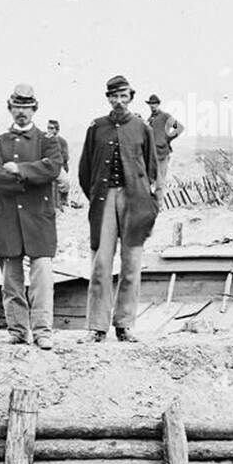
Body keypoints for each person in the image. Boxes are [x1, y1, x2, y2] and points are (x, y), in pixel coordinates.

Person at [77, 75, 160, 343]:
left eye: (124, 96)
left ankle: (125, 324)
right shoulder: (96, 128)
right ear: (108, 98)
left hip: (135, 201)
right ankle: (97, 327)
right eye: (115, 96)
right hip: (104, 201)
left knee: (132, 264)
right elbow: (85, 170)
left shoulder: (141, 128)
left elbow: (152, 169)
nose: (119, 101)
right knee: (101, 263)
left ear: (131, 98)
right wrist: (98, 196)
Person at [0, 86, 64, 350]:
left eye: (27, 107)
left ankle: (43, 331)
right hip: (7, 220)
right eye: (17, 107)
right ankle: (18, 330)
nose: (22, 112)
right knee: (11, 279)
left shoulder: (48, 141)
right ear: (10, 109)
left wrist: (18, 169)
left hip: (39, 219)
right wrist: (33, 176)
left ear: (35, 109)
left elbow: (53, 168)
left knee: (42, 277)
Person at [146, 94, 184, 190]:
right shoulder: (149, 119)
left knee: (160, 183)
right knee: (149, 182)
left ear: (158, 104)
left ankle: (159, 204)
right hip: (151, 154)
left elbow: (179, 127)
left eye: (154, 103)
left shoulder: (165, 116)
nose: (152, 105)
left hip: (162, 152)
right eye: (150, 103)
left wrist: (167, 138)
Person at [46, 119, 70, 208]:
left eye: (52, 128)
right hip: (47, 165)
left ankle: (63, 201)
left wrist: (55, 161)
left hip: (59, 166)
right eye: (48, 128)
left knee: (65, 182)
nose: (50, 130)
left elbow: (65, 157)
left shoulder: (62, 141)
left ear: (57, 130)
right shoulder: (44, 140)